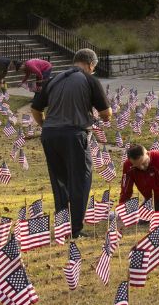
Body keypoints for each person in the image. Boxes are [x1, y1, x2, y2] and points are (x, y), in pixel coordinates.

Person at [30, 48, 112, 238]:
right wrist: (105, 118)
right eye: (94, 68)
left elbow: (36, 109)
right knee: (81, 179)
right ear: (91, 64)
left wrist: (46, 125)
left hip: (50, 135)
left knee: (59, 180)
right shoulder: (89, 79)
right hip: (74, 134)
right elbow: (106, 113)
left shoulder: (53, 80)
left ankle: (62, 225)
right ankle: (75, 229)